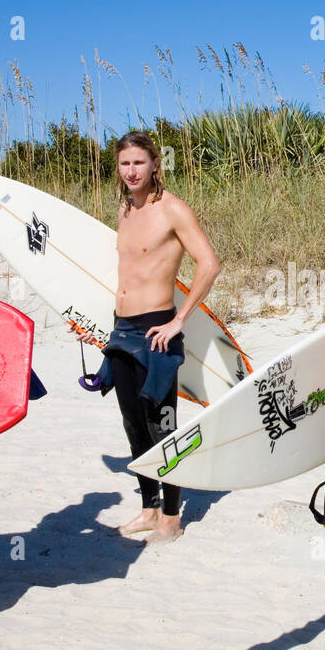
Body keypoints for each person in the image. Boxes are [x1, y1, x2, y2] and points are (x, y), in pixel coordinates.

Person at [96, 131, 220, 543]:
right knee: (132, 423)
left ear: (154, 165)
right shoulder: (124, 210)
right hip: (122, 328)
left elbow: (209, 264)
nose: (131, 171)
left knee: (163, 424)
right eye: (124, 163)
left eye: (138, 163)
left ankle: (171, 515)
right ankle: (149, 507)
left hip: (156, 329)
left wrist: (179, 319)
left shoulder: (172, 209)